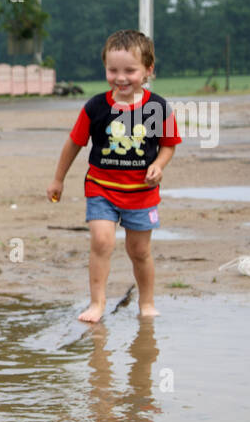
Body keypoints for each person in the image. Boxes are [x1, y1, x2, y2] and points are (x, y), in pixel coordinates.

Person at [47, 29, 181, 321]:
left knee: (139, 251)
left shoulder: (158, 107)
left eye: (130, 71)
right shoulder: (95, 107)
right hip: (101, 189)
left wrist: (159, 165)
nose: (121, 78)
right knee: (102, 242)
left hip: (141, 194)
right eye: (113, 70)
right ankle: (97, 304)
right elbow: (74, 143)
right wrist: (59, 179)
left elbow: (169, 145)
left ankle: (146, 303)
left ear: (148, 70)